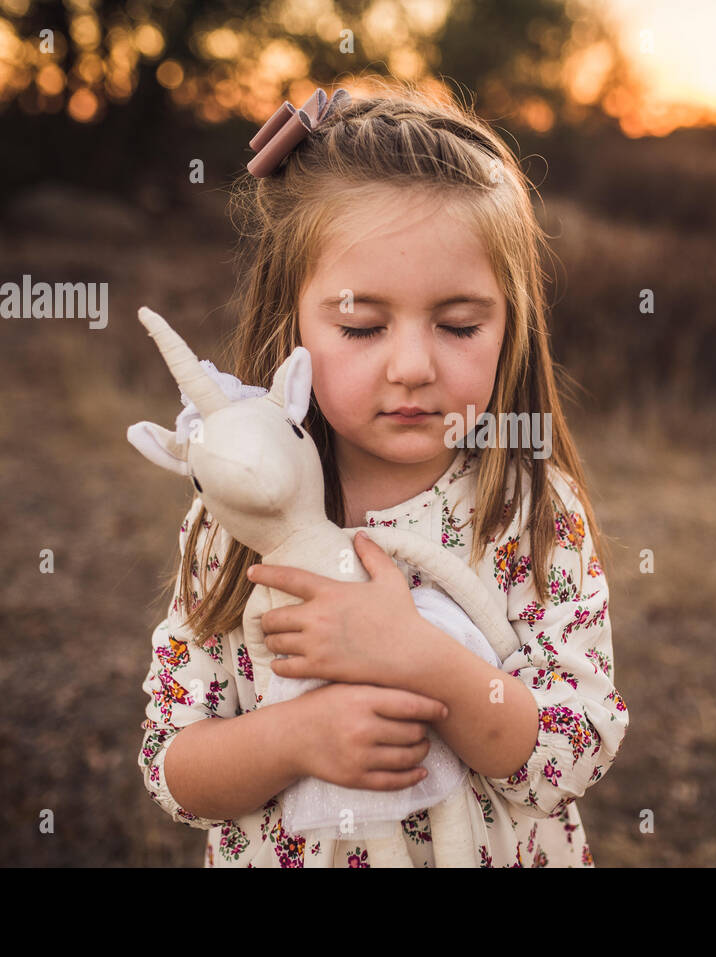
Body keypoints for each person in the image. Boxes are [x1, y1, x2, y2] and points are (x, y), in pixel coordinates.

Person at [137, 77, 628, 867]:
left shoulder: (527, 509)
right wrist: (292, 738)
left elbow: (574, 752)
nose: (412, 366)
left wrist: (420, 657)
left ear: (511, 323)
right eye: (362, 325)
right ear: (290, 320)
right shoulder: (232, 519)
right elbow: (174, 768)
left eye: (460, 324)